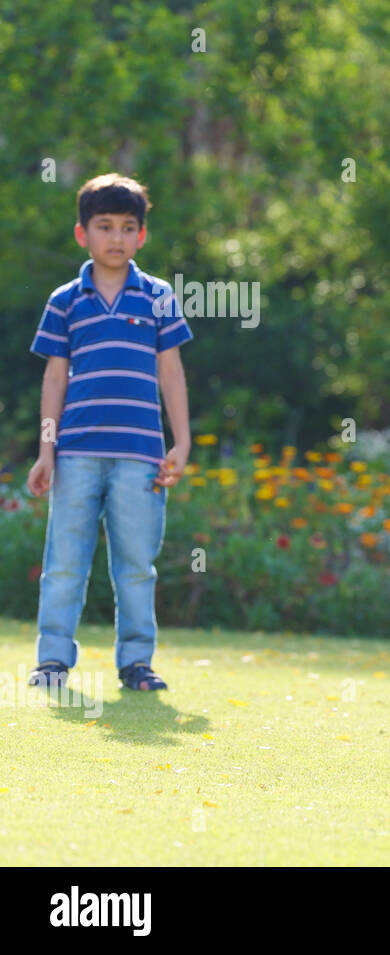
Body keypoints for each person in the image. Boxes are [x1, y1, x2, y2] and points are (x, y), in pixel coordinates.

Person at [26, 173, 194, 693]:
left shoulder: (158, 296)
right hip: (75, 453)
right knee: (64, 564)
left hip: (141, 456)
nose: (116, 238)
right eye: (104, 227)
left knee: (136, 567)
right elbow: (55, 377)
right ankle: (52, 661)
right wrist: (46, 449)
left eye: (127, 227)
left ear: (142, 235)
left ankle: (136, 664)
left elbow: (171, 371)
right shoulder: (65, 301)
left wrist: (181, 442)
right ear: (83, 234)